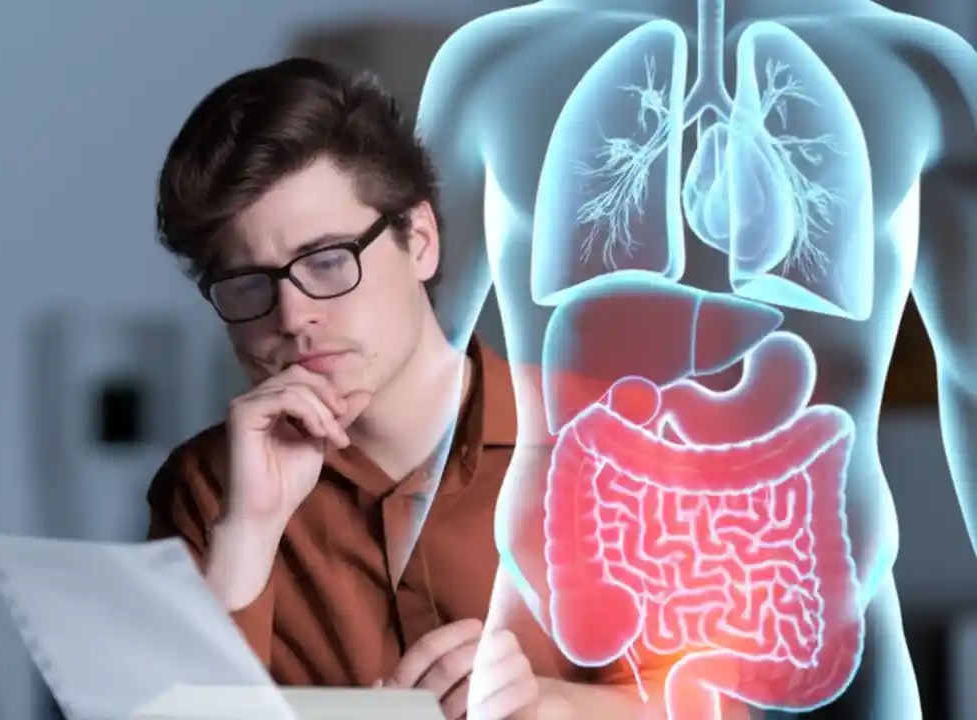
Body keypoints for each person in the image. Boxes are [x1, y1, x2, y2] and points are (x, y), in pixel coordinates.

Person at [414, 1, 976, 719]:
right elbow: (412, 381)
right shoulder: (488, 65)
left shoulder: (925, 72)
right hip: (562, 651)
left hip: (825, 633)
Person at [144, 57, 682, 720]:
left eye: (327, 260)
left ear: (419, 240)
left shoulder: (618, 441)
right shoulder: (206, 490)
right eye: (251, 284)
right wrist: (247, 537)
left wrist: (551, 706)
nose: (291, 316)